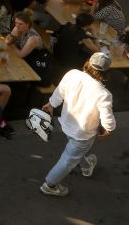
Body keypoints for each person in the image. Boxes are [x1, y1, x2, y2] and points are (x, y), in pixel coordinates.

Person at [39, 53, 116, 197]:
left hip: (67, 123)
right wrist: (109, 129)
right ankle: (50, 184)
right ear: (106, 72)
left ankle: (86, 166)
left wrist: (51, 104)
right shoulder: (104, 94)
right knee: (68, 159)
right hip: (83, 133)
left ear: (88, 63)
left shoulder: (72, 74)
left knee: (74, 152)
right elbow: (107, 118)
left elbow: (59, 91)